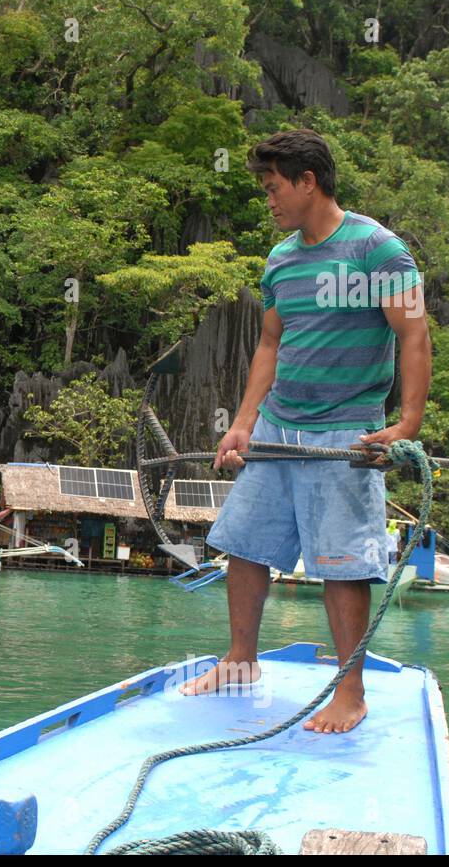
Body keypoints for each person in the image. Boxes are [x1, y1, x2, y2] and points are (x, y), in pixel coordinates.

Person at [181, 129, 431, 736]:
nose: (267, 201)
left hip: (346, 431)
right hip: (277, 428)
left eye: (273, 189)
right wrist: (242, 424)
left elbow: (414, 334)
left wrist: (408, 422)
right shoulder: (281, 259)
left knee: (342, 563)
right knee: (245, 544)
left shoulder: (378, 249)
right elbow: (270, 342)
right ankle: (241, 660)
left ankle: (351, 691)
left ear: (307, 181)